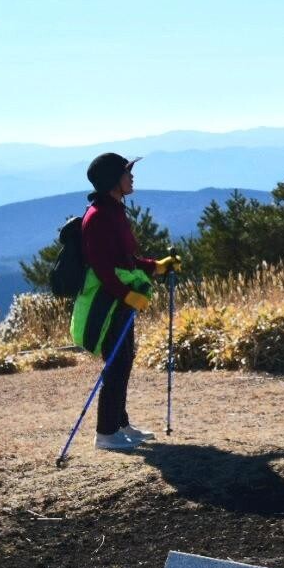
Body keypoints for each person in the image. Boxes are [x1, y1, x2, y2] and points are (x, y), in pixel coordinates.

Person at [71, 152, 180, 451]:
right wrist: (127, 294)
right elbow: (103, 268)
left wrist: (157, 266)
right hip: (107, 304)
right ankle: (106, 434)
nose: (131, 176)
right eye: (126, 172)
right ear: (112, 180)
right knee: (117, 363)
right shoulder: (99, 217)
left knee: (124, 360)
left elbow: (126, 260)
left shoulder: (113, 210)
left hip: (118, 302)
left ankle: (120, 425)